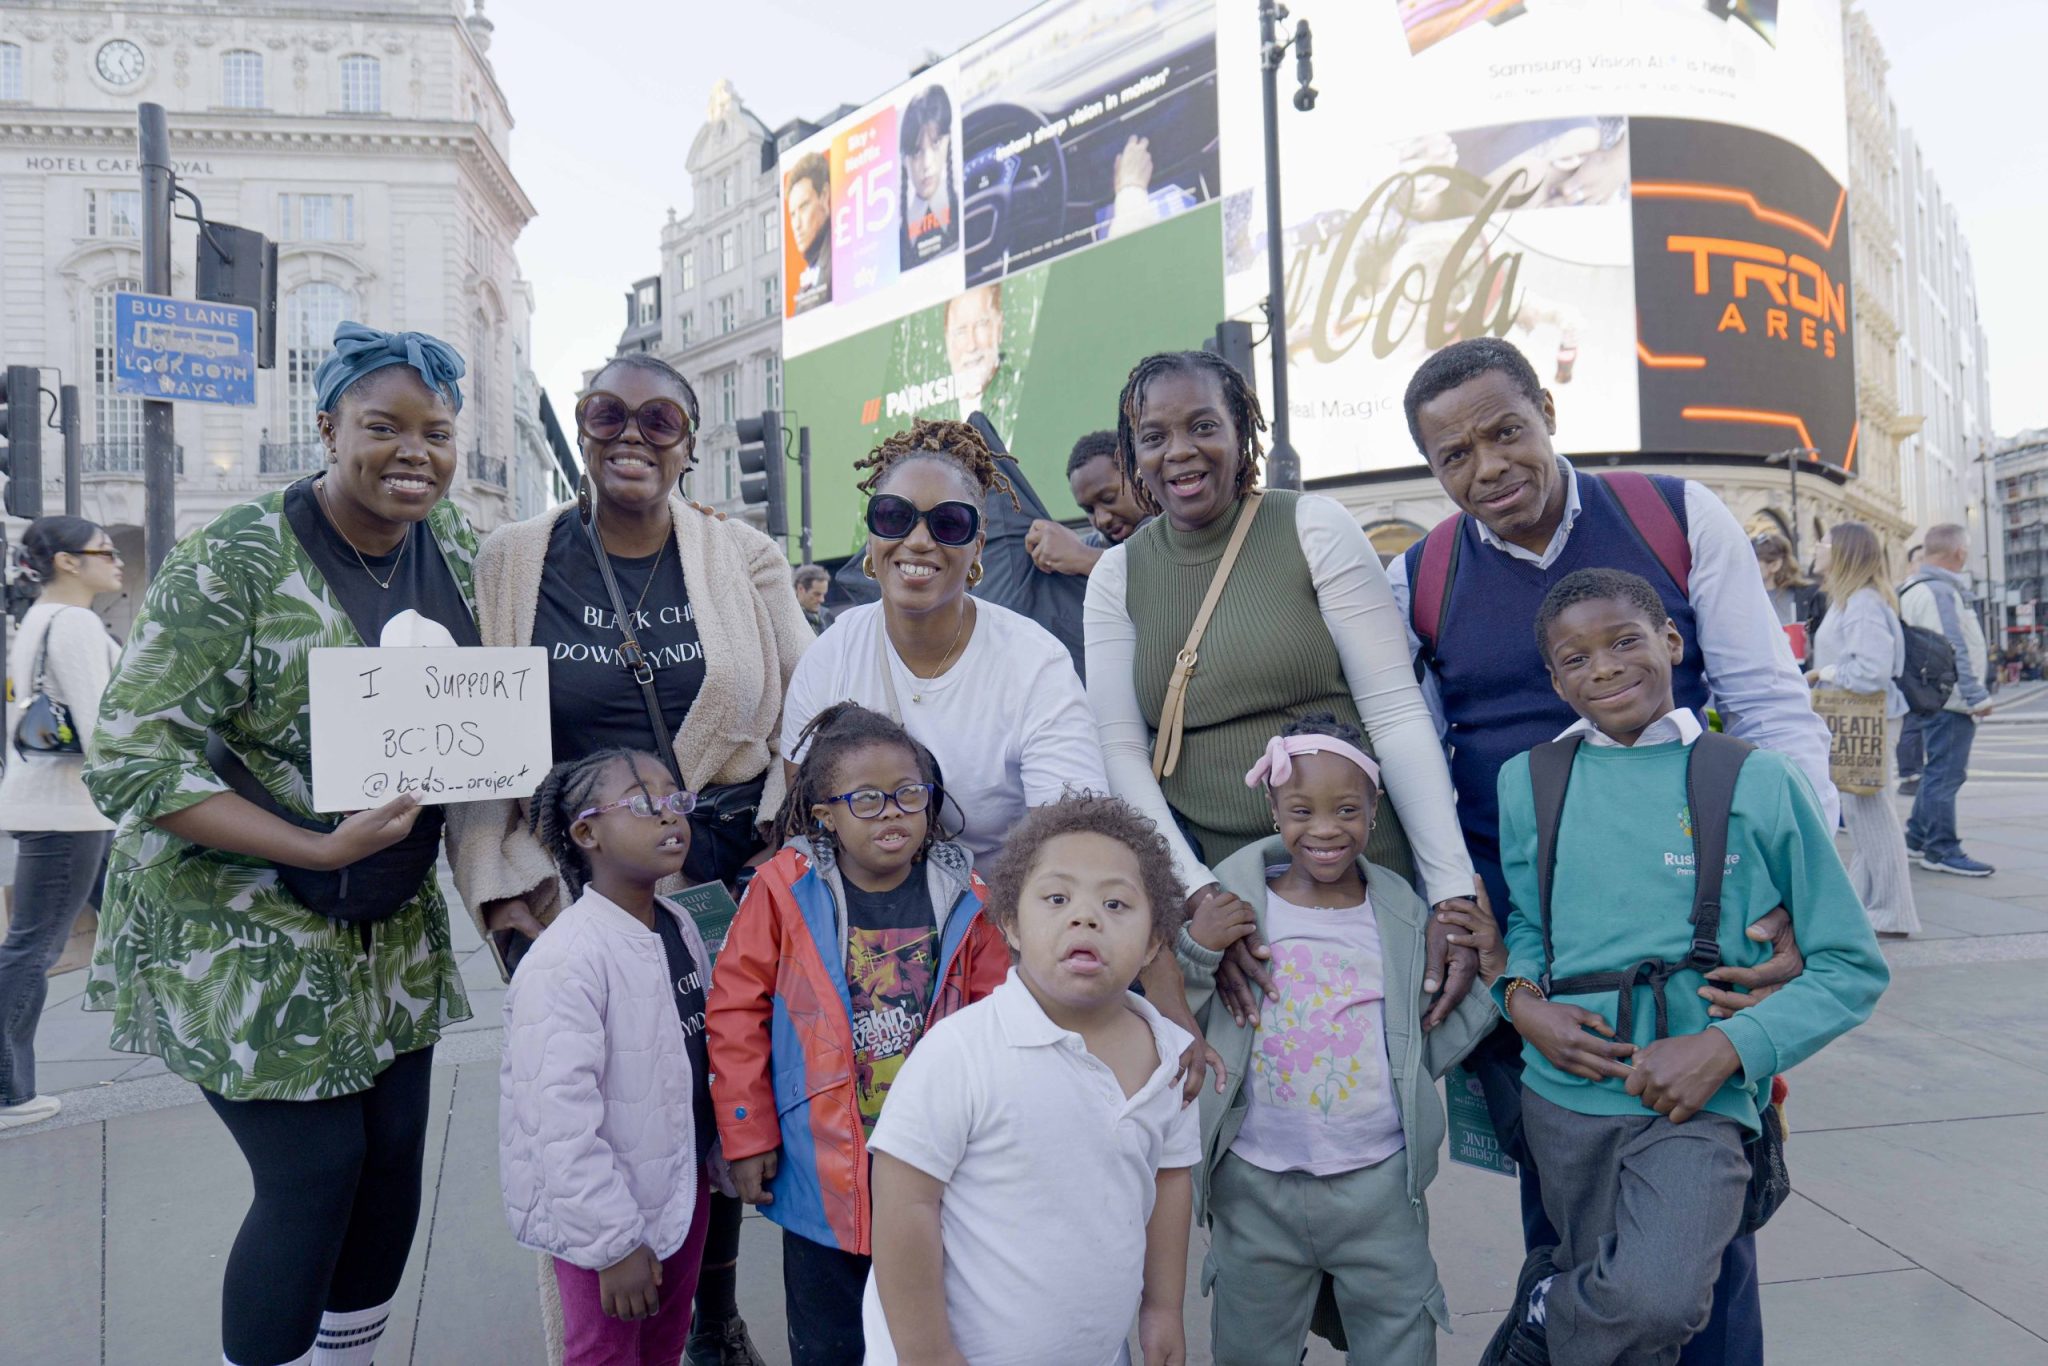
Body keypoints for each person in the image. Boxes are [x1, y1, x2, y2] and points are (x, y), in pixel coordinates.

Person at [1389, 337, 1834, 1364]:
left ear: (1547, 407)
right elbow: (1411, 763)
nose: (1486, 467)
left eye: (1504, 430)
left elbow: (1769, 704)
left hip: (1693, 940)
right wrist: (1478, 937)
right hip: (1537, 955)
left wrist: (1787, 894)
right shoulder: (1417, 578)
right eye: (1452, 455)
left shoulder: (1671, 517)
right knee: (1568, 1211)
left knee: (1706, 1232)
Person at [82, 323, 479, 1366]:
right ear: (326, 428)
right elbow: (128, 758)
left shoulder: (465, 549)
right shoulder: (239, 555)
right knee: (311, 1176)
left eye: (435, 431)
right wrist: (314, 848)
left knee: (391, 1164)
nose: (413, 452)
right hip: (239, 924)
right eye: (381, 426)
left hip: (386, 919)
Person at [447, 349, 808, 1366]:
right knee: (597, 1103)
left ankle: (714, 1308)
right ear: (581, 423)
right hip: (579, 892)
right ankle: (604, 1299)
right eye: (608, 414)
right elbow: (479, 748)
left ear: (690, 442)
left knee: (711, 1093)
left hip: (721, 879)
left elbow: (806, 698)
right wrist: (502, 897)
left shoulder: (743, 554)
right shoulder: (513, 559)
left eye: (660, 420)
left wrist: (785, 844)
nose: (631, 436)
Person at [1481, 569, 1887, 1365]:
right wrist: (1522, 999)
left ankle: (1544, 1310)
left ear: (1672, 641)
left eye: (1625, 641)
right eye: (1576, 657)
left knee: (1656, 1301)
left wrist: (1731, 1048)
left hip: (1697, 1104)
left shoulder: (1757, 780)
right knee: (1630, 1343)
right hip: (1562, 1098)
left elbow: (1849, 965)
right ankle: (1559, 1301)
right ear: (1556, 681)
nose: (1603, 667)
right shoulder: (1529, 781)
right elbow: (1530, 924)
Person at [1083, 349, 1485, 1072]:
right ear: (1131, 454)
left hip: (1355, 877)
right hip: (1217, 891)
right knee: (1233, 1118)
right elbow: (1120, 749)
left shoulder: (1313, 527)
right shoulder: (1116, 574)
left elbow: (1395, 713)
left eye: (1204, 425)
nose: (1181, 451)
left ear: (1243, 433)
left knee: (1363, 1104)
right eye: (1154, 436)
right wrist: (1197, 895)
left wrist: (1452, 891)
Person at [1179, 715, 1506, 1364]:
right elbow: (1176, 1019)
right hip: (1255, 1183)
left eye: (1347, 810)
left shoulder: (1404, 916)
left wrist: (1492, 974)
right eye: (1301, 809)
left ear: (1375, 808)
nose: (1325, 829)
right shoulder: (1235, 911)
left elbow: (1428, 1037)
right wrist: (1194, 950)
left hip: (1378, 1184)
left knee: (1400, 1337)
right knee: (1250, 1346)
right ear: (1273, 807)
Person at [708, 703, 1008, 1365]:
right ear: (825, 815)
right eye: (867, 800)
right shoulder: (782, 890)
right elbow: (736, 1011)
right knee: (831, 1346)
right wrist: (745, 1130)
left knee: (932, 1335)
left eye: (908, 795)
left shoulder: (969, 897)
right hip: (821, 1175)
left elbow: (1001, 1020)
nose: (892, 812)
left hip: (939, 1171)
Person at [864, 794, 1200, 1366]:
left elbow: (1169, 1183)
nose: (1086, 916)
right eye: (1057, 898)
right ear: (1012, 924)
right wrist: (927, 1353)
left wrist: (1163, 1308)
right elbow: (904, 1203)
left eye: (1116, 903)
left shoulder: (1170, 1058)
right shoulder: (961, 1051)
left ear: (1152, 944)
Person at [778, 418, 1106, 870]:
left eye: (949, 524)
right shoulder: (828, 659)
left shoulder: (1036, 664)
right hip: (867, 923)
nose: (917, 541)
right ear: (872, 535)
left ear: (977, 548)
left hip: (1006, 915)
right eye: (895, 517)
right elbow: (808, 823)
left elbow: (1074, 844)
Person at [501, 750, 716, 1366]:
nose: (669, 817)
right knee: (606, 1354)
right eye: (644, 804)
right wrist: (611, 1243)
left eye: (676, 800)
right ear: (586, 833)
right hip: (603, 1210)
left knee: (666, 1344)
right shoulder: (566, 959)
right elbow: (556, 1120)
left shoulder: (678, 926)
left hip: (679, 1181)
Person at [0, 517, 124, 1130]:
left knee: (132, 923)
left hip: (69, 807)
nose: (117, 560)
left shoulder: (40, 619)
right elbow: (104, 726)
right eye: (105, 551)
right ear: (70, 562)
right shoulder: (71, 622)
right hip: (67, 811)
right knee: (34, 946)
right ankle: (5, 1092)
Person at [1807, 522, 1921, 937]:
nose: (1816, 546)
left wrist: (1822, 672)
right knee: (1866, 812)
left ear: (1844, 552)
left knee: (1871, 813)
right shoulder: (1853, 600)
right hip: (1863, 716)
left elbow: (1872, 671)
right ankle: (1866, 903)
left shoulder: (1862, 603)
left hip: (1866, 716)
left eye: (1824, 542)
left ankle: (1893, 911)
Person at [1901, 523, 1996, 876]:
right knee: (1946, 774)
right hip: (1950, 700)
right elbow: (1952, 648)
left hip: (1928, 697)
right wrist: (1975, 695)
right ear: (1959, 552)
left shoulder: (1912, 587)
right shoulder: (1941, 591)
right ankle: (1942, 849)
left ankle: (1917, 837)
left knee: (1935, 770)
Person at [1023, 430, 1151, 578]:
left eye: (1108, 499)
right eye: (1089, 509)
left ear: (1138, 477)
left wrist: (1081, 556)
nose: (1102, 519)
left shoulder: (1176, 522)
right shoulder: (1097, 544)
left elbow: (1161, 572)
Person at [899, 84, 958, 270]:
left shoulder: (963, 207)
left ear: (948, 141)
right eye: (916, 152)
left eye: (936, 143)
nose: (927, 164)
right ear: (903, 159)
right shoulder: (897, 242)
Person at [1749, 531, 1826, 666]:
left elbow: (1825, 640)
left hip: (1801, 675)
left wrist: (1810, 644)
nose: (1748, 565)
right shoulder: (1745, 598)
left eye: (1754, 560)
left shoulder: (1810, 596)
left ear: (1775, 565)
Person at [943, 285, 1005, 424]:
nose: (971, 345)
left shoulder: (1025, 393)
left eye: (981, 324)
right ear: (947, 339)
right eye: (960, 331)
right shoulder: (928, 420)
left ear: (999, 326)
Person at [787, 152, 832, 315]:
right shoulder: (812, 273)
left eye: (804, 207)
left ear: (825, 196)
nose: (797, 224)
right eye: (792, 214)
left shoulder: (835, 262)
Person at [794, 563, 834, 634]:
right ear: (800, 589)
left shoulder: (827, 616)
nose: (822, 600)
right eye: (817, 594)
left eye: (823, 594)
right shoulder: (790, 619)